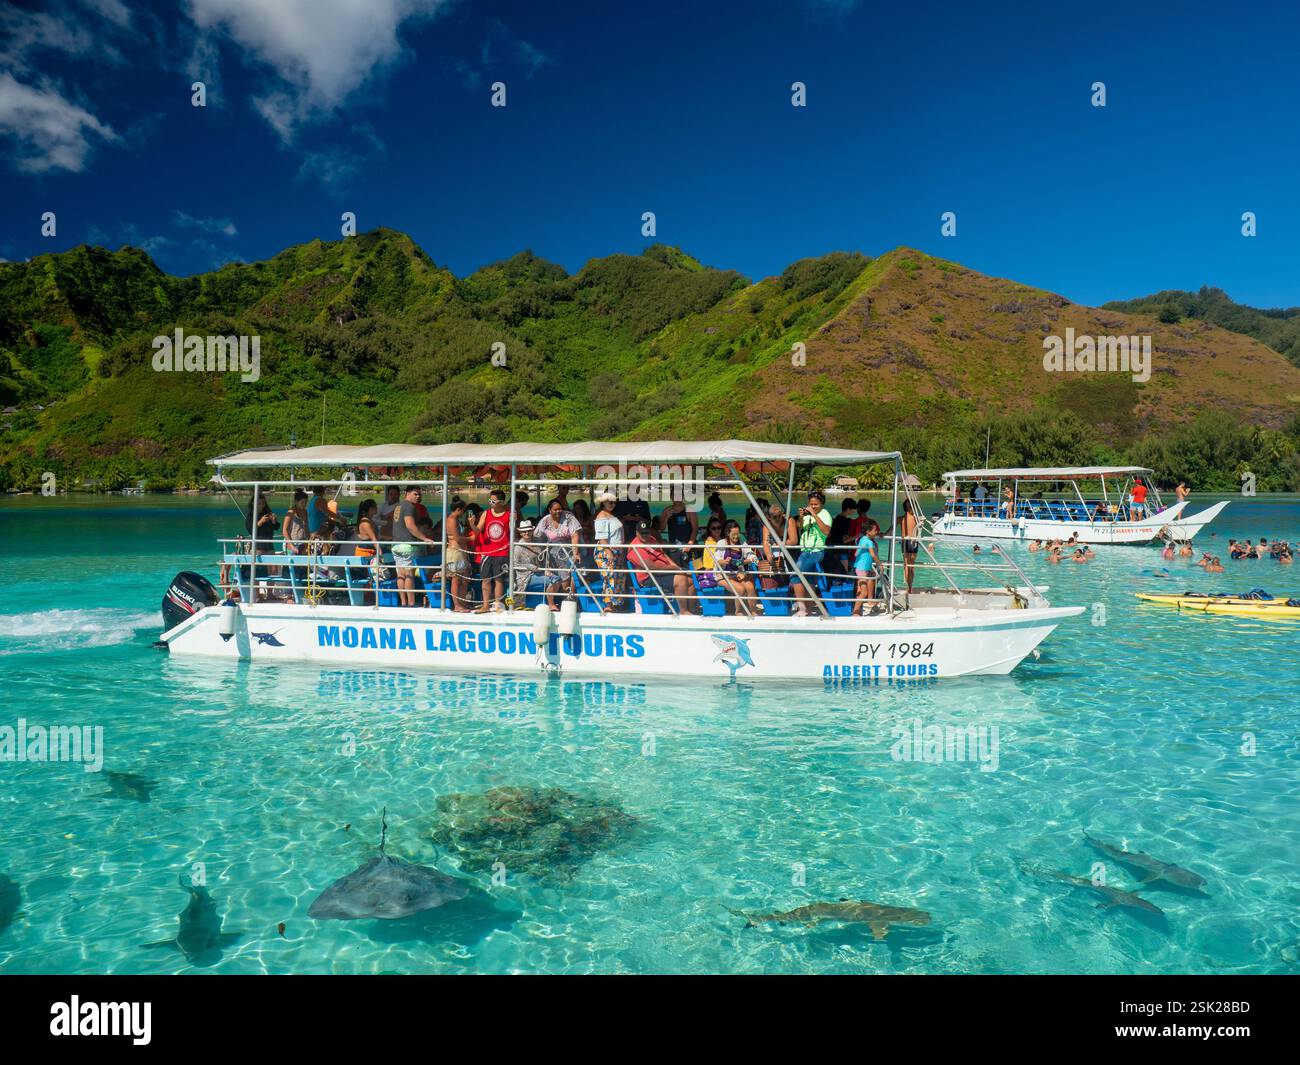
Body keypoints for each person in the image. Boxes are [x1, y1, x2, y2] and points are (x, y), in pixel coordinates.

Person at [628, 519, 697, 614]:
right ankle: (683, 611)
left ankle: (691, 610)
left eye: (646, 533)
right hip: (649, 577)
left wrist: (677, 567)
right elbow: (651, 567)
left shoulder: (651, 539)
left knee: (691, 580)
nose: (644, 535)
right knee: (680, 579)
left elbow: (663, 555)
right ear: (636, 533)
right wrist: (674, 569)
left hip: (663, 572)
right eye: (642, 533)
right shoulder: (635, 548)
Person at [392, 486, 438, 606]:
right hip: (407, 545)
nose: (419, 497)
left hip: (396, 545)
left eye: (419, 494)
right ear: (407, 493)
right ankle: (411, 603)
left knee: (400, 574)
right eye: (415, 494)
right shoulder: (409, 506)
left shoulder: (399, 506)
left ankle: (403, 602)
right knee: (409, 574)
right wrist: (424, 538)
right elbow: (410, 525)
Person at [704, 520, 758, 614]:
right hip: (723, 575)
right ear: (728, 533)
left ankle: (753, 612)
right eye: (734, 534)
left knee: (750, 587)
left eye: (738, 534)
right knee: (740, 589)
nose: (736, 537)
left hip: (737, 574)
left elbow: (754, 557)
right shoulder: (722, 543)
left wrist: (744, 562)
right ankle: (738, 612)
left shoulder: (742, 542)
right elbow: (716, 560)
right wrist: (724, 561)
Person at [536, 497, 582, 610]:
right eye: (555, 509)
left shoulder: (568, 517)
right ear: (549, 510)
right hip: (553, 552)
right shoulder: (545, 521)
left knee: (569, 575)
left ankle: (569, 600)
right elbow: (537, 536)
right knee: (558, 576)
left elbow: (575, 535)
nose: (558, 511)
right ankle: (557, 602)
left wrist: (576, 552)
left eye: (560, 509)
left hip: (569, 548)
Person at [791, 490, 832, 616]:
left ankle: (801, 607)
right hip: (805, 550)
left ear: (822, 504)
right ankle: (807, 609)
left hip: (815, 551)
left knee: (795, 575)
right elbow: (800, 527)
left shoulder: (825, 514)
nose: (813, 507)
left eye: (816, 504)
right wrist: (803, 516)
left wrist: (814, 514)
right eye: (811, 504)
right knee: (809, 580)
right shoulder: (808, 515)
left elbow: (826, 531)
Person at [475, 490, 511, 612]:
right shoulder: (486, 513)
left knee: (498, 579)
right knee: (485, 579)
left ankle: (498, 604)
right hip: (487, 552)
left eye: (493, 501)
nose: (491, 503)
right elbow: (478, 530)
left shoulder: (509, 514)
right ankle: (485, 605)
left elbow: (513, 532)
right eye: (489, 500)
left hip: (502, 552)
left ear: (501, 502)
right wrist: (471, 524)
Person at [593, 491, 626, 613]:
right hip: (606, 551)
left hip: (617, 551)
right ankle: (608, 604)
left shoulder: (611, 515)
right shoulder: (601, 516)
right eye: (609, 502)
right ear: (603, 503)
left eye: (614, 502)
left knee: (618, 578)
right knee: (609, 576)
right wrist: (609, 552)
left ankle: (617, 603)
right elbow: (602, 538)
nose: (612, 504)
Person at [510, 519, 545, 603]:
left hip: (539, 573)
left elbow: (544, 558)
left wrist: (546, 569)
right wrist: (530, 567)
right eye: (524, 531)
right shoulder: (518, 547)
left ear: (532, 531)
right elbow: (515, 564)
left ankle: (547, 603)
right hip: (525, 577)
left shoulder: (539, 542)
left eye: (529, 531)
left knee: (556, 578)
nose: (527, 533)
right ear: (521, 533)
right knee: (553, 580)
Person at [852, 518, 882, 616]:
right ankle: (855, 612)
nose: (877, 531)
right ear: (868, 532)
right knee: (863, 592)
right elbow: (873, 555)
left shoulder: (862, 539)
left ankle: (857, 609)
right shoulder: (869, 542)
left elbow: (856, 553)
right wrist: (880, 564)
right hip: (862, 569)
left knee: (860, 590)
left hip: (860, 568)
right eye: (875, 530)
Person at [828, 498, 860, 575]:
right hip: (841, 551)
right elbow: (845, 540)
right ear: (848, 509)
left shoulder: (837, 518)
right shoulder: (846, 521)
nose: (854, 511)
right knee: (843, 574)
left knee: (835, 573)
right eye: (853, 509)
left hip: (832, 549)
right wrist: (858, 535)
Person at [899, 498, 920, 594]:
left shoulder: (900, 518)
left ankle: (908, 587)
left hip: (906, 542)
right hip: (913, 541)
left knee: (907, 566)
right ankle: (910, 587)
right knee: (911, 566)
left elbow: (891, 529)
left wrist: (883, 534)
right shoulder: (916, 518)